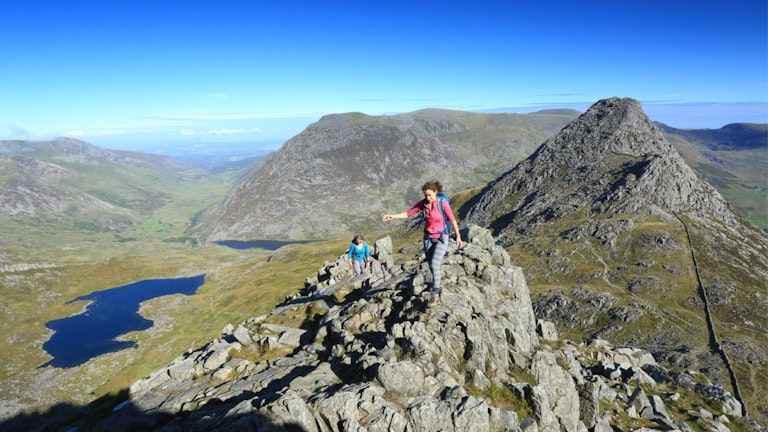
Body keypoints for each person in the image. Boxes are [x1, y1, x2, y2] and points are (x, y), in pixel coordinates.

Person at [382, 181, 462, 303]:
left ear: (436, 192)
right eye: (426, 195)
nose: (428, 198)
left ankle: (435, 293)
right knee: (431, 265)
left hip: (442, 238)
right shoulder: (423, 204)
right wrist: (393, 216)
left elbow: (452, 220)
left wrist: (458, 236)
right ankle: (436, 281)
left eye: (430, 195)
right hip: (428, 239)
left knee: (435, 264)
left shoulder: (443, 204)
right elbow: (409, 213)